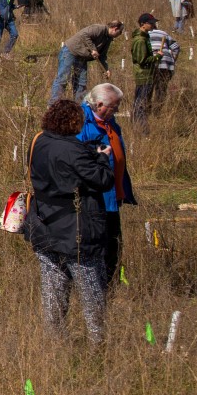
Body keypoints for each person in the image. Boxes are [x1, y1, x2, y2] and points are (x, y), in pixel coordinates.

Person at [23, 100, 112, 342]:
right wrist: (103, 158)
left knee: (53, 288)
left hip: (43, 224)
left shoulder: (38, 141)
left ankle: (55, 341)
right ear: (73, 123)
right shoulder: (74, 150)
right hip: (76, 229)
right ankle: (98, 342)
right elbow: (102, 180)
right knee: (91, 288)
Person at [78, 83, 137, 292]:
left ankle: (109, 290)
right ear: (100, 104)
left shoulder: (110, 122)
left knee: (114, 245)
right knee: (102, 247)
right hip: (97, 198)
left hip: (113, 196)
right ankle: (98, 292)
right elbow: (80, 161)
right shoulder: (82, 123)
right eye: (114, 106)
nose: (117, 110)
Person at [49, 20, 124, 103]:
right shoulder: (99, 28)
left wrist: (106, 69)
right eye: (120, 32)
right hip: (70, 51)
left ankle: (79, 107)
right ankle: (53, 104)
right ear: (115, 29)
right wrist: (93, 49)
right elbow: (84, 34)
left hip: (82, 57)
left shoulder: (108, 39)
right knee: (63, 79)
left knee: (81, 83)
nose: (119, 35)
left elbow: (102, 56)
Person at [130, 14, 161, 126]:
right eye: (151, 23)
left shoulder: (144, 37)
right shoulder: (140, 40)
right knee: (141, 103)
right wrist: (157, 57)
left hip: (147, 75)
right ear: (143, 24)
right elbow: (142, 60)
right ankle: (140, 127)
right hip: (143, 75)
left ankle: (139, 125)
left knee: (143, 101)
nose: (153, 25)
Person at [149, 21, 181, 105]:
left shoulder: (144, 34)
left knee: (148, 87)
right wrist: (173, 59)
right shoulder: (163, 33)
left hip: (151, 63)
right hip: (166, 63)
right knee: (161, 88)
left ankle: (147, 110)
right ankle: (157, 112)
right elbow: (176, 47)